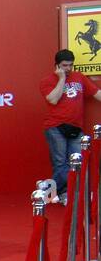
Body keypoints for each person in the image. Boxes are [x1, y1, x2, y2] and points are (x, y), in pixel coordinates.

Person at [39, 49, 101, 204]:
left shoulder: (79, 77)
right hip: (55, 126)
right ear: (57, 65)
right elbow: (53, 100)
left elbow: (96, 93)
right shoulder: (47, 81)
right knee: (61, 163)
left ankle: (48, 188)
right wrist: (61, 79)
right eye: (65, 65)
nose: (68, 68)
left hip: (76, 127)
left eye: (70, 65)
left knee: (78, 161)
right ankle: (64, 194)